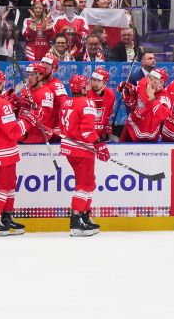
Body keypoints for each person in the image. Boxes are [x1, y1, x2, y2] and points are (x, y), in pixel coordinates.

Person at [0, 68, 35, 236]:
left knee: (10, 185)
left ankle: (6, 217)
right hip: (2, 150)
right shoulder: (2, 104)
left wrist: (6, 102)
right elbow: (14, 131)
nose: (4, 84)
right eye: (2, 81)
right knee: (3, 186)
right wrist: (28, 121)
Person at [59, 74, 107, 236]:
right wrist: (99, 144)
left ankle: (84, 216)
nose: (88, 87)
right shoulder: (87, 102)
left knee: (88, 182)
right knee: (84, 185)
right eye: (86, 85)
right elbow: (87, 131)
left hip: (68, 148)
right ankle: (76, 221)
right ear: (82, 88)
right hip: (81, 150)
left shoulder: (66, 102)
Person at [120, 67, 172, 142]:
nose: (150, 79)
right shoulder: (143, 81)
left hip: (147, 133)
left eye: (154, 78)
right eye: (150, 76)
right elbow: (136, 99)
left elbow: (163, 116)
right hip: (131, 124)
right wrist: (129, 90)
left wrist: (152, 97)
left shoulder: (164, 98)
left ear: (161, 83)